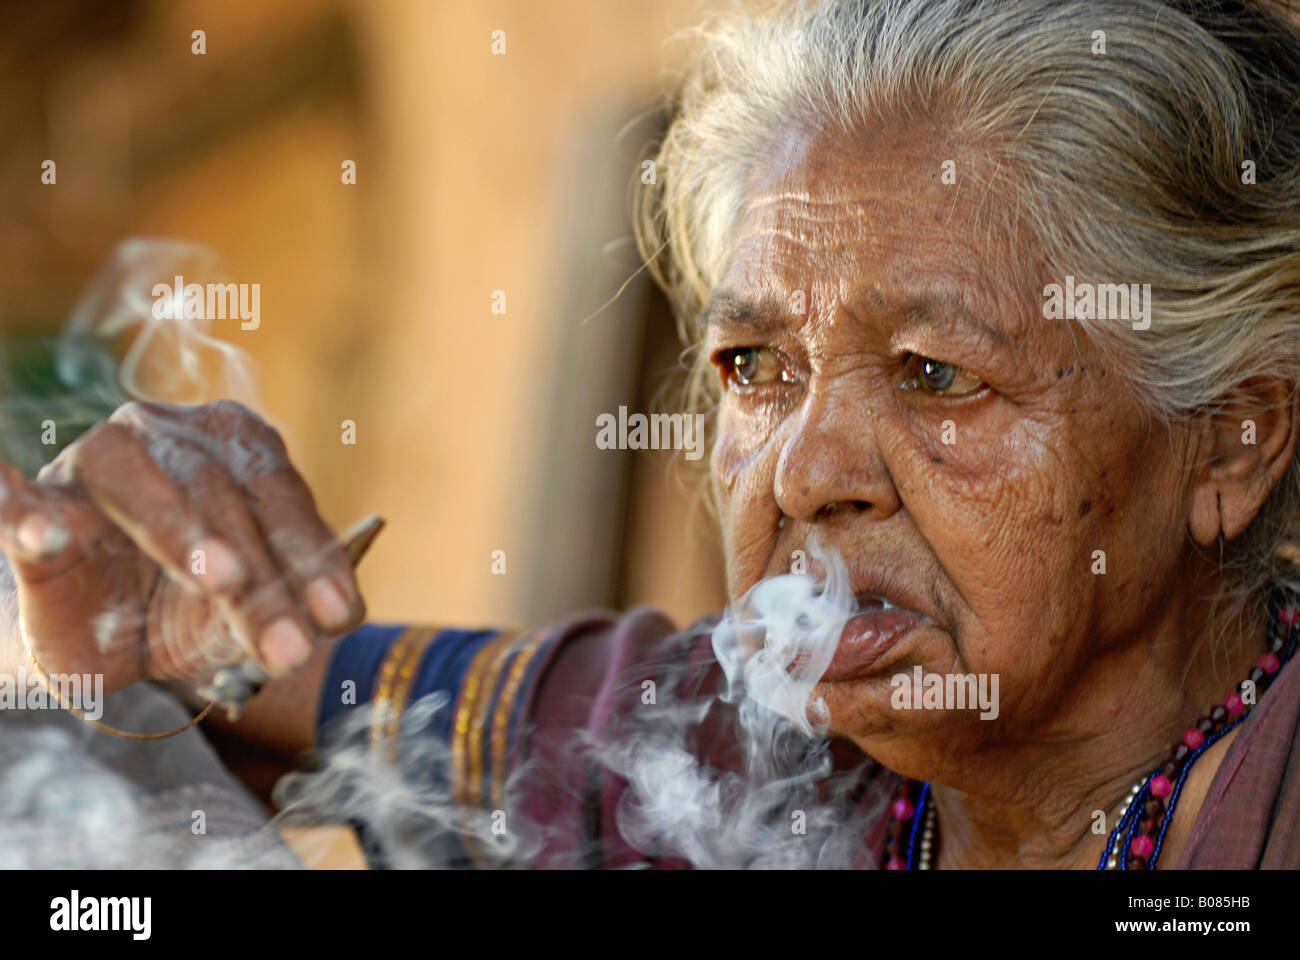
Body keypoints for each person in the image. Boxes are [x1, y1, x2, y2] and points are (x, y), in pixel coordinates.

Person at [4, 0, 1300, 869]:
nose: (803, 471)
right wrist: (119, 622)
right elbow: (196, 675)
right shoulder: (702, 741)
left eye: (936, 373)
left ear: (1234, 439)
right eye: (756, 366)